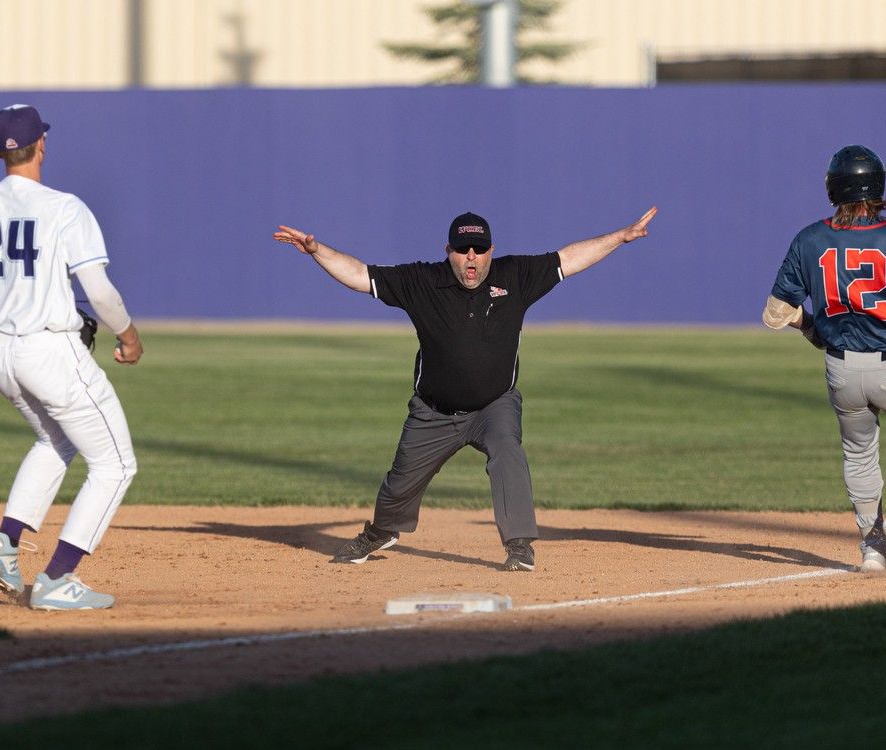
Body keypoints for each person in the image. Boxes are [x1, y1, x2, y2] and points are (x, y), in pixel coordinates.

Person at [274, 206, 656, 570]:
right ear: (449, 252)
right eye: (461, 250)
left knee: (508, 450)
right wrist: (316, 250)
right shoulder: (422, 281)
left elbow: (569, 259)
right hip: (433, 412)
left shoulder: (516, 276)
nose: (470, 258)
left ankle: (518, 545)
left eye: (478, 249)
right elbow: (360, 274)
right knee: (399, 482)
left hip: (495, 406)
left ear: (491, 250)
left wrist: (621, 237)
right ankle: (381, 532)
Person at [0, 104, 144, 609]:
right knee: (116, 465)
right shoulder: (64, 207)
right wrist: (128, 335)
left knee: (55, 440)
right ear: (42, 145)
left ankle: (6, 542)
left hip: (0, 353)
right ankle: (58, 579)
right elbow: (98, 292)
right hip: (49, 351)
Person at [762, 144, 886, 573]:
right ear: (879, 187)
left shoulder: (809, 239)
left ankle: (871, 550)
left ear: (833, 188)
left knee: (858, 451)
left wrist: (813, 328)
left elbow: (776, 313)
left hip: (840, 368)